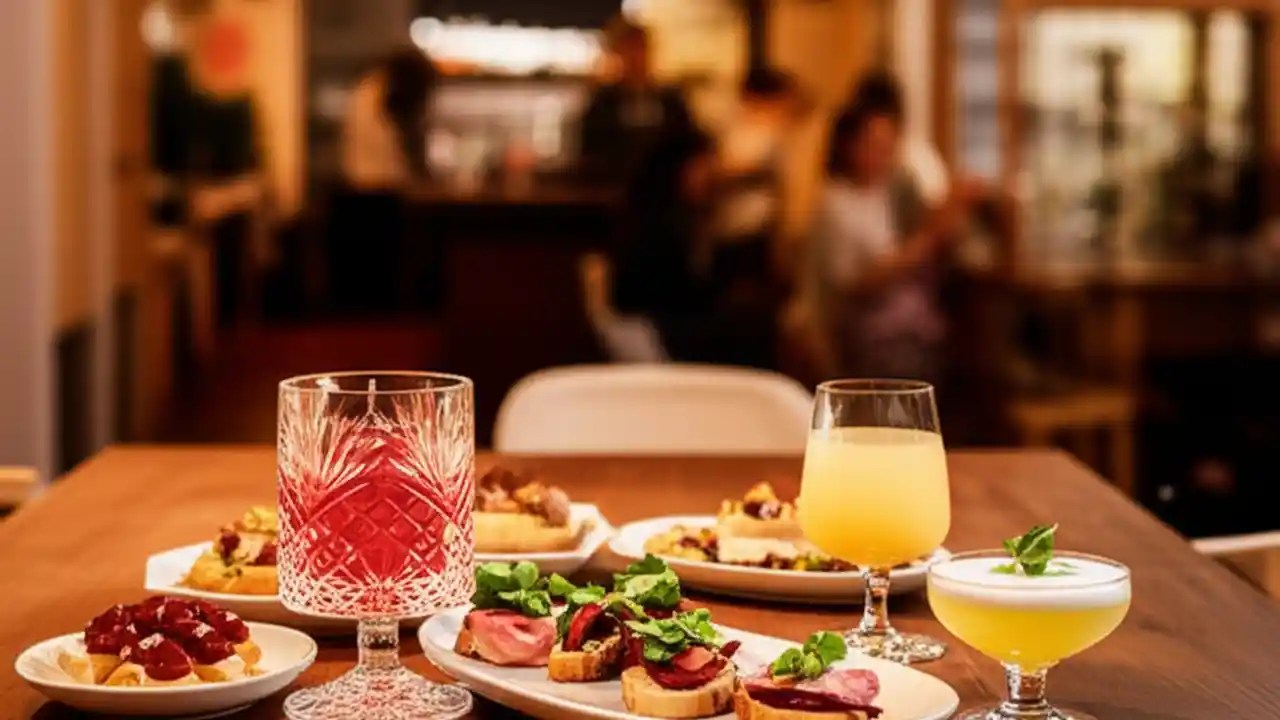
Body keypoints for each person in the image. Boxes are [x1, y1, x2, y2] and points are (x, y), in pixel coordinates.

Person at [801, 83, 975, 381]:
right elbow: (854, 286)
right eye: (874, 145)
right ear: (848, 146)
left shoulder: (886, 191)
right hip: (866, 331)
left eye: (888, 145)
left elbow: (924, 230)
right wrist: (928, 238)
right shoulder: (835, 205)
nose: (884, 154)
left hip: (904, 320)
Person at [612, 131, 775, 368]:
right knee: (753, 326)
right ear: (675, 171)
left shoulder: (679, 216)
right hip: (652, 331)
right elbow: (676, 296)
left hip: (667, 325)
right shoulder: (657, 225)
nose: (710, 176)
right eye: (700, 168)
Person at [331, 48, 437, 313]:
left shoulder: (368, 87)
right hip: (380, 195)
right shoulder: (387, 92)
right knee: (384, 277)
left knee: (366, 281)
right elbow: (399, 150)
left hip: (357, 192)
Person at [711, 67, 804, 304]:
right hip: (739, 232)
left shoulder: (772, 134)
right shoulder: (742, 131)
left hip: (757, 232)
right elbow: (721, 172)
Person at [578, 17, 694, 185]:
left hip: (666, 192)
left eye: (641, 48)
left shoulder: (670, 100)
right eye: (629, 49)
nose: (637, 56)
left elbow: (688, 145)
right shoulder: (603, 102)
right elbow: (591, 153)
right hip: (617, 192)